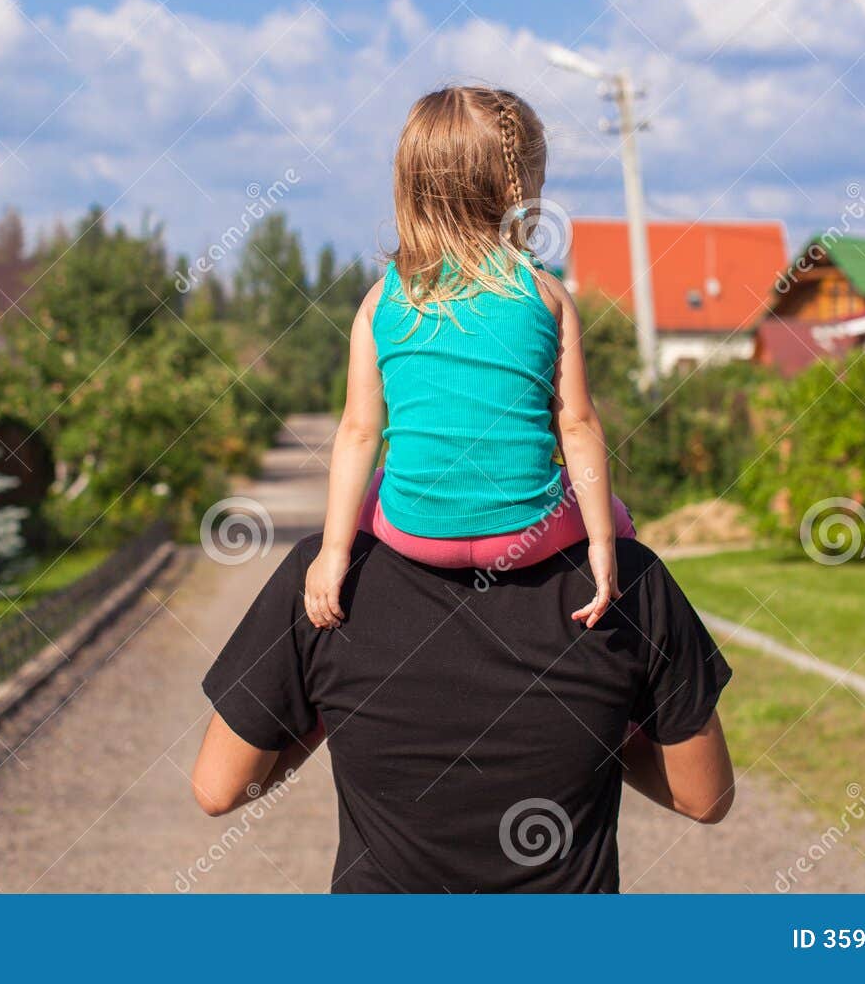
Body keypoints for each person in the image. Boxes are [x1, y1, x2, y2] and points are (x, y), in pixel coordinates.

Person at [192, 533, 734, 893]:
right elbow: (703, 795)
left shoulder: (324, 580)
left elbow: (221, 788)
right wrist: (592, 726)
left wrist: (326, 709)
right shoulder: (622, 579)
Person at [302, 86, 635, 634]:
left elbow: (359, 432)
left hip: (413, 534)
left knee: (382, 481)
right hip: (525, 534)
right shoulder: (547, 295)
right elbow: (576, 425)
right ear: (519, 190)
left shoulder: (381, 300)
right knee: (617, 516)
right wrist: (603, 540)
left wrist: (333, 552)